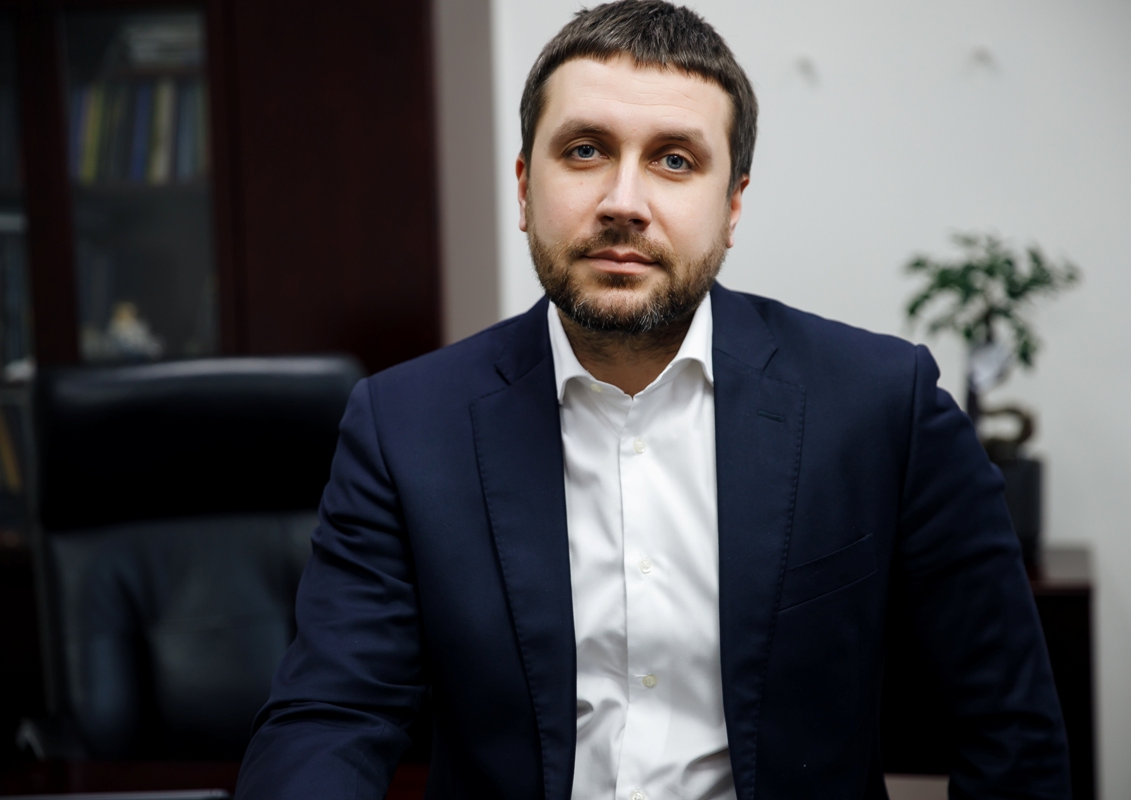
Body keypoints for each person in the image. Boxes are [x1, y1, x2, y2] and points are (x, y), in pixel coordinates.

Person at [236, 2, 1070, 797]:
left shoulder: (881, 406)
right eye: (585, 150)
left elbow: (1009, 728)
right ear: (523, 188)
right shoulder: (405, 426)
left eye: (675, 160)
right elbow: (331, 717)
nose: (623, 203)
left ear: (732, 205)